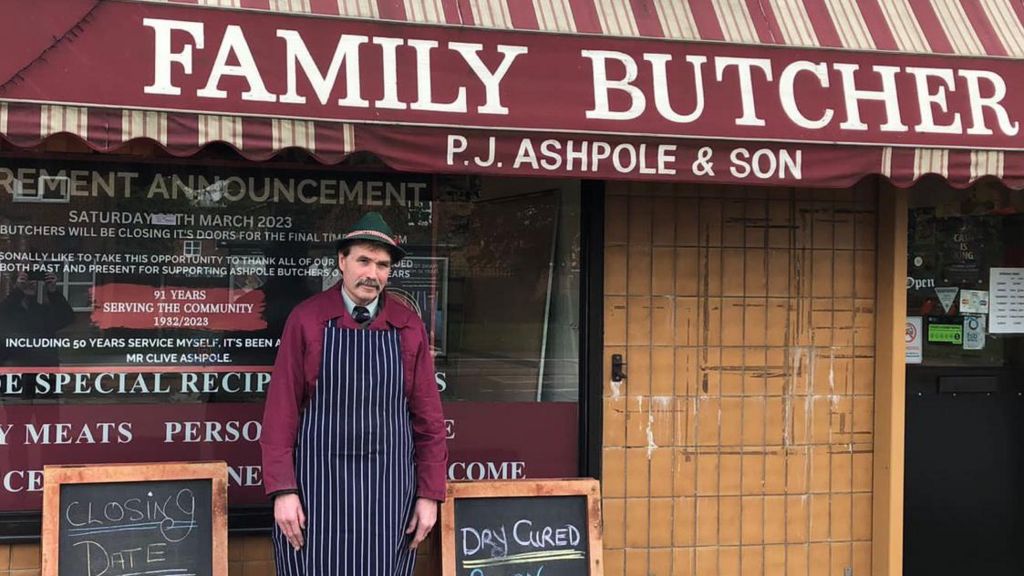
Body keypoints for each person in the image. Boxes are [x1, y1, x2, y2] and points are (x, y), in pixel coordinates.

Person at [260, 212, 447, 576]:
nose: (372, 274)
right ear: (341, 261)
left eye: (382, 265)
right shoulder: (307, 319)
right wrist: (283, 490)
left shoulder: (409, 326)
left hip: (389, 493)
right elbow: (281, 413)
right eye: (363, 260)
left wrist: (429, 494)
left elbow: (428, 419)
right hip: (317, 492)